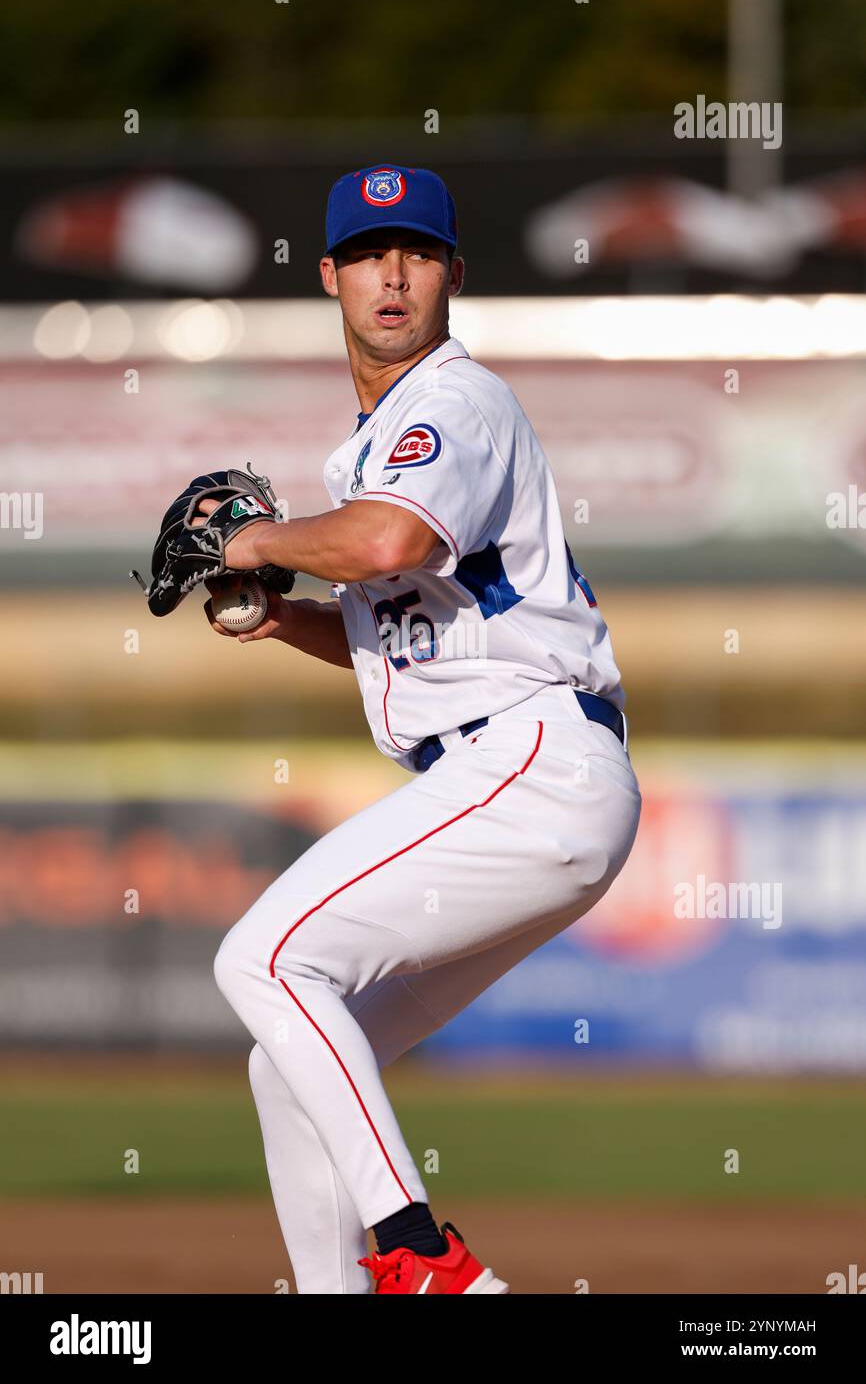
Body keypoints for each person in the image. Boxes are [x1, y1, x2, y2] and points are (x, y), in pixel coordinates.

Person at [202, 163, 641, 1294]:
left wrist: (254, 543)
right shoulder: (378, 444)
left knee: (261, 954)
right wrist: (282, 614)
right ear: (330, 278)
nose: (390, 274)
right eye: (366, 254)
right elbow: (395, 614)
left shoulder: (453, 401)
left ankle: (415, 1251)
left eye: (416, 252)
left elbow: (387, 545)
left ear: (453, 272)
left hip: (530, 758)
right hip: (517, 777)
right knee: (284, 1062)